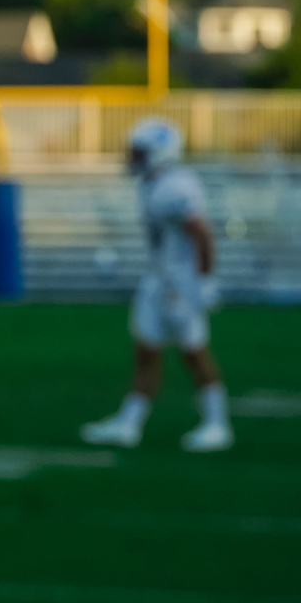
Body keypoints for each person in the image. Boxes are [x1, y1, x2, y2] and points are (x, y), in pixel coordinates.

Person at [81, 117, 231, 453]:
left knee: (193, 353)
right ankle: (129, 423)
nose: (132, 157)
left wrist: (204, 281)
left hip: (180, 282)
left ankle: (217, 424)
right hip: (158, 278)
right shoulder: (154, 182)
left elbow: (201, 232)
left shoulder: (174, 187)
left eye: (139, 151)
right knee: (145, 350)